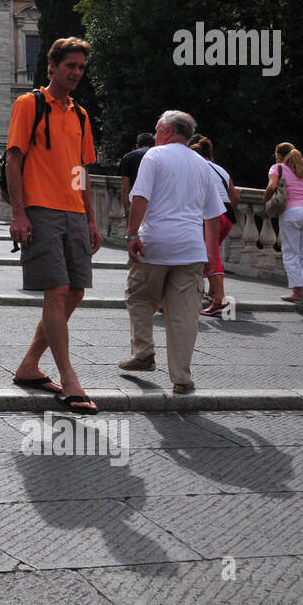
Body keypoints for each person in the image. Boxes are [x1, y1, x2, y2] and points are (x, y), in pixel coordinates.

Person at [6, 37, 102, 414]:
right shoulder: (29, 104)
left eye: (81, 67)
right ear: (53, 67)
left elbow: (81, 170)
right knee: (57, 289)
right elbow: (13, 160)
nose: (77, 73)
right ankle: (70, 379)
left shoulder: (80, 115)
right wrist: (18, 213)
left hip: (74, 213)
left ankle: (30, 365)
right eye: (70, 66)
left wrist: (91, 219)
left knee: (75, 291)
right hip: (41, 210)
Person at [119, 112, 225, 394]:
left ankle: (143, 353)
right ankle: (182, 378)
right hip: (191, 248)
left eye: (156, 130)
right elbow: (213, 215)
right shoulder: (203, 164)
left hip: (155, 243)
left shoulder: (154, 156)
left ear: (166, 130)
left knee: (139, 297)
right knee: (184, 314)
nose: (154, 136)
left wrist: (132, 234)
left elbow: (140, 198)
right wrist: (210, 255)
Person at [188, 135, 241, 316]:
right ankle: (212, 293)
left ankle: (220, 299)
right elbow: (235, 197)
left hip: (210, 216)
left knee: (211, 257)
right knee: (209, 254)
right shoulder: (221, 170)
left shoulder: (195, 167)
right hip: (227, 216)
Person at [264, 142, 303, 303]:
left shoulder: (278, 168)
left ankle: (297, 291)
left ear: (279, 156)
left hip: (292, 212)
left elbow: (272, 185)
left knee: (290, 252)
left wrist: (266, 199)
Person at [117, 132, 155, 218]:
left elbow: (125, 189)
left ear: (137, 146)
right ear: (154, 145)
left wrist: (126, 211)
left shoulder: (128, 157)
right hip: (154, 203)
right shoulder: (158, 156)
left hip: (135, 202)